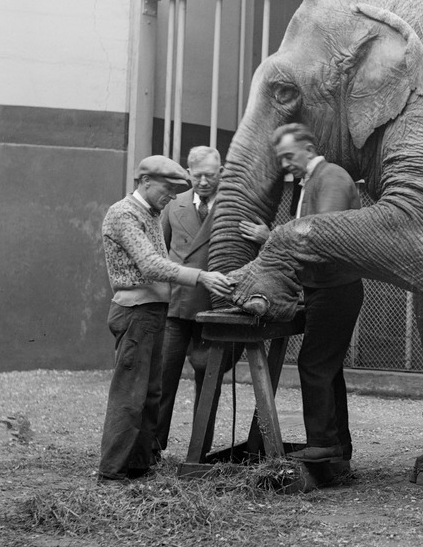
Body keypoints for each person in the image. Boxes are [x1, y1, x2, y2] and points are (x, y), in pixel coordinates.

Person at [97, 155, 232, 485]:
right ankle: (112, 473)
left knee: (151, 394)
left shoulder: (151, 213)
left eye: (175, 190)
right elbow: (151, 265)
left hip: (155, 311)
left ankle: (140, 465)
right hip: (135, 313)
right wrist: (200, 276)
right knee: (129, 396)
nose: (172, 196)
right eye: (167, 189)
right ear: (145, 181)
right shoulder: (124, 213)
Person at [238, 123, 364, 467]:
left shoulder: (332, 177)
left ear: (309, 148)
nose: (285, 165)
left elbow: (321, 235)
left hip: (335, 289)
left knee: (314, 365)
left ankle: (324, 445)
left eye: (289, 156)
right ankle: (337, 446)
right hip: (324, 288)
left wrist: (273, 237)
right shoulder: (312, 181)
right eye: (281, 158)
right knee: (327, 367)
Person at [153, 146, 241, 461]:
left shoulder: (233, 208)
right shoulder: (173, 206)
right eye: (198, 175)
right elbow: (157, 254)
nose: (204, 181)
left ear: (221, 172)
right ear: (188, 174)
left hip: (213, 307)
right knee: (163, 378)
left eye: (211, 174)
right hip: (177, 307)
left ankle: (198, 453)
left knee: (209, 382)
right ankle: (152, 448)